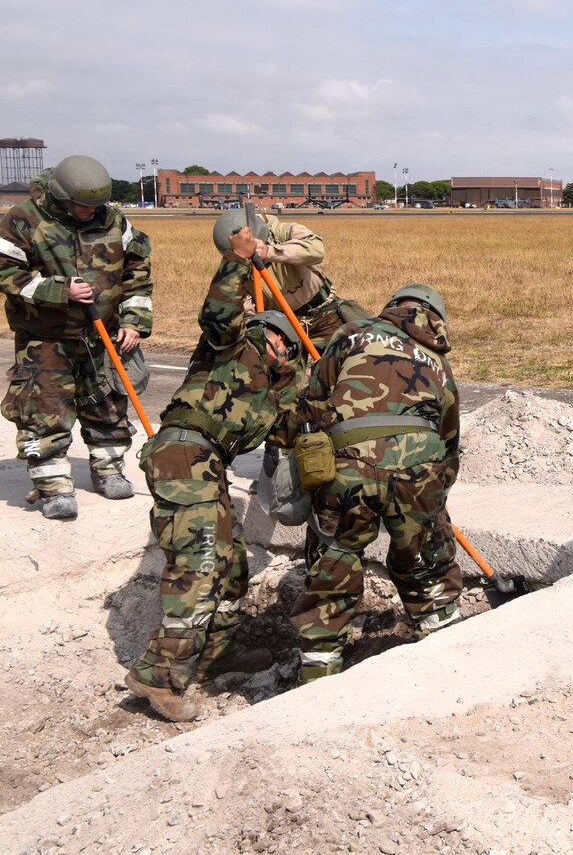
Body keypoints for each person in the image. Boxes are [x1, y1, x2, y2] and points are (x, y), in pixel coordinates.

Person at [124, 209, 307, 722]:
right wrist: (236, 262)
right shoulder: (227, 346)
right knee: (202, 565)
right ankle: (159, 675)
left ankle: (218, 649)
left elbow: (293, 432)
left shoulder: (275, 389)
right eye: (277, 340)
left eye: (289, 349)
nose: (281, 350)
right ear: (262, 332)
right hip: (183, 452)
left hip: (209, 466)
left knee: (230, 564)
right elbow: (219, 315)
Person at [285, 283, 462, 683]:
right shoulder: (438, 362)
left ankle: (319, 667)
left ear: (393, 307)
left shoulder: (351, 334)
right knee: (425, 559)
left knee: (335, 553)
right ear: (436, 318)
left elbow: (312, 404)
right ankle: (439, 646)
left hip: (350, 464)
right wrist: (434, 500)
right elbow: (450, 438)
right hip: (422, 466)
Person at [0, 155, 152, 520]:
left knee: (108, 405)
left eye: (95, 207)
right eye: (82, 207)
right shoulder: (23, 219)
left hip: (105, 337)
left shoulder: (113, 219)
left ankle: (109, 469)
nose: (90, 213)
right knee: (44, 410)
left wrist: (133, 321)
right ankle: (52, 486)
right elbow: (5, 271)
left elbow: (138, 270)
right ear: (61, 197)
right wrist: (58, 291)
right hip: (46, 339)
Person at [242, 208, 365, 353]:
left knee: (354, 356)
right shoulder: (237, 262)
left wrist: (269, 252)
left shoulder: (284, 231)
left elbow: (316, 250)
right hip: (283, 327)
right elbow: (245, 307)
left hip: (324, 316)